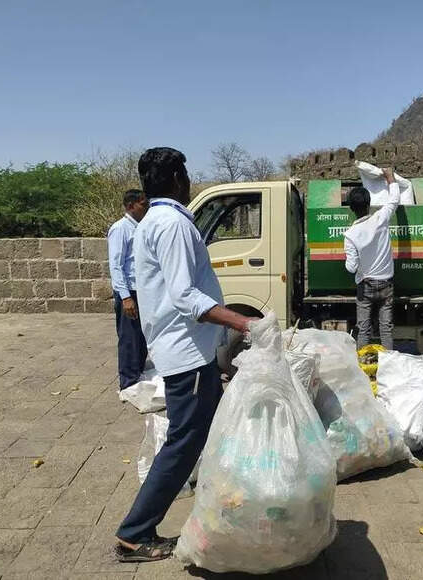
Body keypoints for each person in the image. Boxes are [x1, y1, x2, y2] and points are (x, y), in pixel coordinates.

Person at [114, 147, 255, 562]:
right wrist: (245, 323)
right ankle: (135, 531)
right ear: (178, 177)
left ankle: (216, 509)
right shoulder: (172, 223)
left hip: (184, 350)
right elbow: (184, 295)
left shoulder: (153, 220)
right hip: (187, 354)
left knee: (205, 434)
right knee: (184, 443)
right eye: (187, 173)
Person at [344, 167, 399, 350]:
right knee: (386, 329)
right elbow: (394, 200)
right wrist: (390, 178)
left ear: (351, 208)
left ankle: (363, 368)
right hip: (386, 285)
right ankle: (389, 365)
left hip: (365, 287)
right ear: (369, 204)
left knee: (364, 329)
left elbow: (351, 268)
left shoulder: (350, 235)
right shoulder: (380, 219)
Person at [107, 189, 150, 390]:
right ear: (131, 205)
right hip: (129, 292)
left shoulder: (141, 227)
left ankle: (138, 373)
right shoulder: (120, 229)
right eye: (143, 203)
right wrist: (125, 297)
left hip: (142, 290)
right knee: (129, 338)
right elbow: (116, 265)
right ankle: (129, 382)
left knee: (142, 336)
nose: (147, 207)